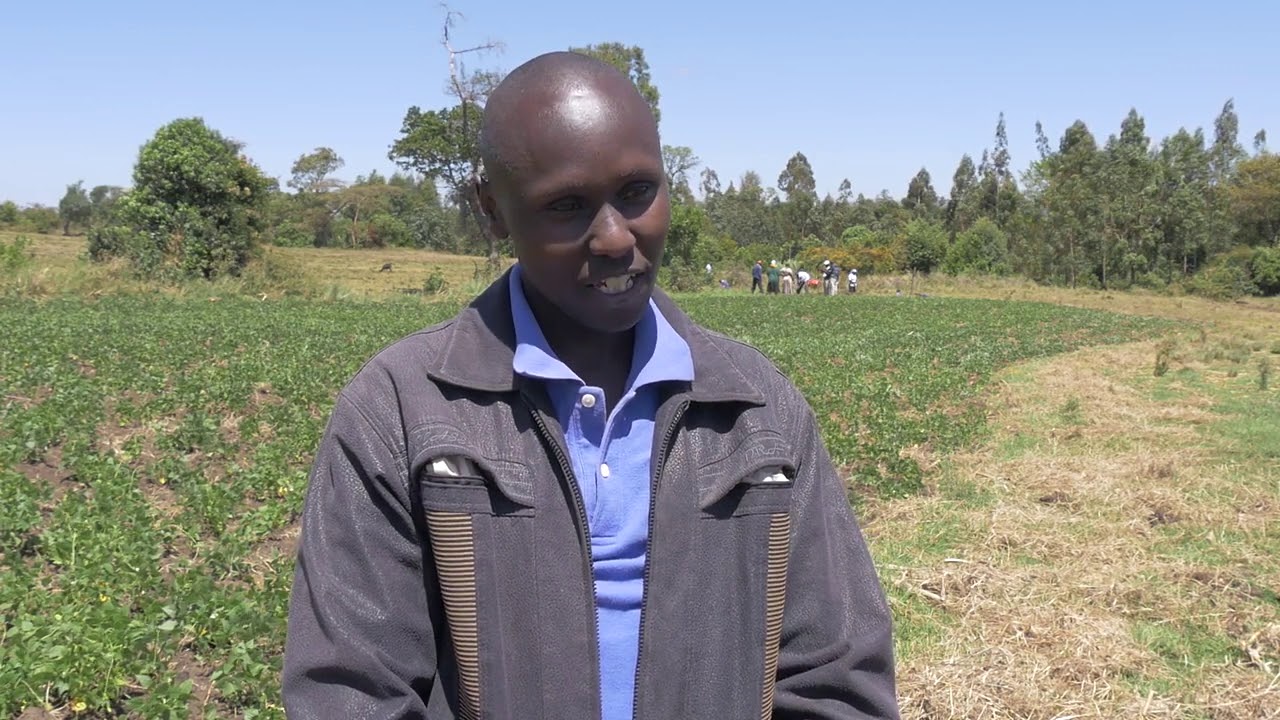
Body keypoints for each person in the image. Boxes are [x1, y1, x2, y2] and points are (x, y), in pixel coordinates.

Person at [283, 51, 899, 720]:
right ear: (492, 210)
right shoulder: (400, 410)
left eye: (636, 192)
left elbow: (838, 681)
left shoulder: (758, 411)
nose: (613, 238)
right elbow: (350, 692)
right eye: (567, 206)